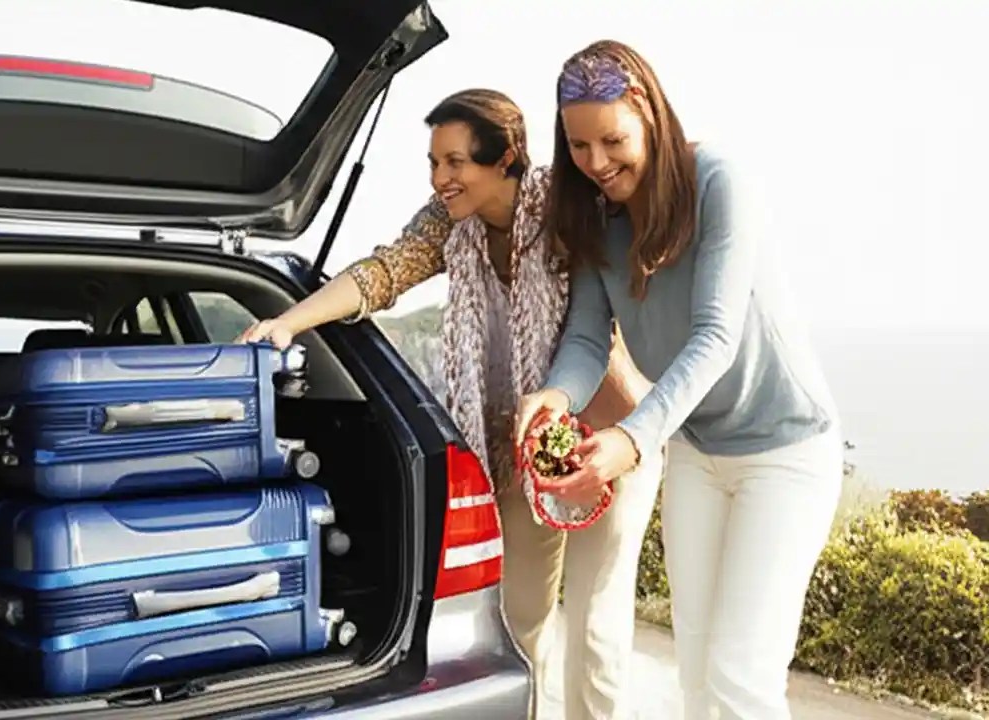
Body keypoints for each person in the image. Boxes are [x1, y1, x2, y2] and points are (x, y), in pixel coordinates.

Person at [238, 88, 663, 720]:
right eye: (434, 162)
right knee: (516, 626)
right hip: (516, 450)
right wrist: (288, 323)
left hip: (603, 444)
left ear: (507, 157)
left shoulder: (570, 208)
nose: (440, 178)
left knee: (597, 632)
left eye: (455, 161)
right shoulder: (449, 226)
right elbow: (382, 273)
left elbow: (648, 235)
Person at [516, 40, 842, 720]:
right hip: (697, 451)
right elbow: (584, 338)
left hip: (785, 454)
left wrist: (630, 441)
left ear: (650, 114)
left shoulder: (720, 181)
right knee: (696, 674)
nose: (597, 164)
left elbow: (716, 336)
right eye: (579, 146)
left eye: (612, 140)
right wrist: (554, 397)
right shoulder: (595, 220)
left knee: (740, 677)